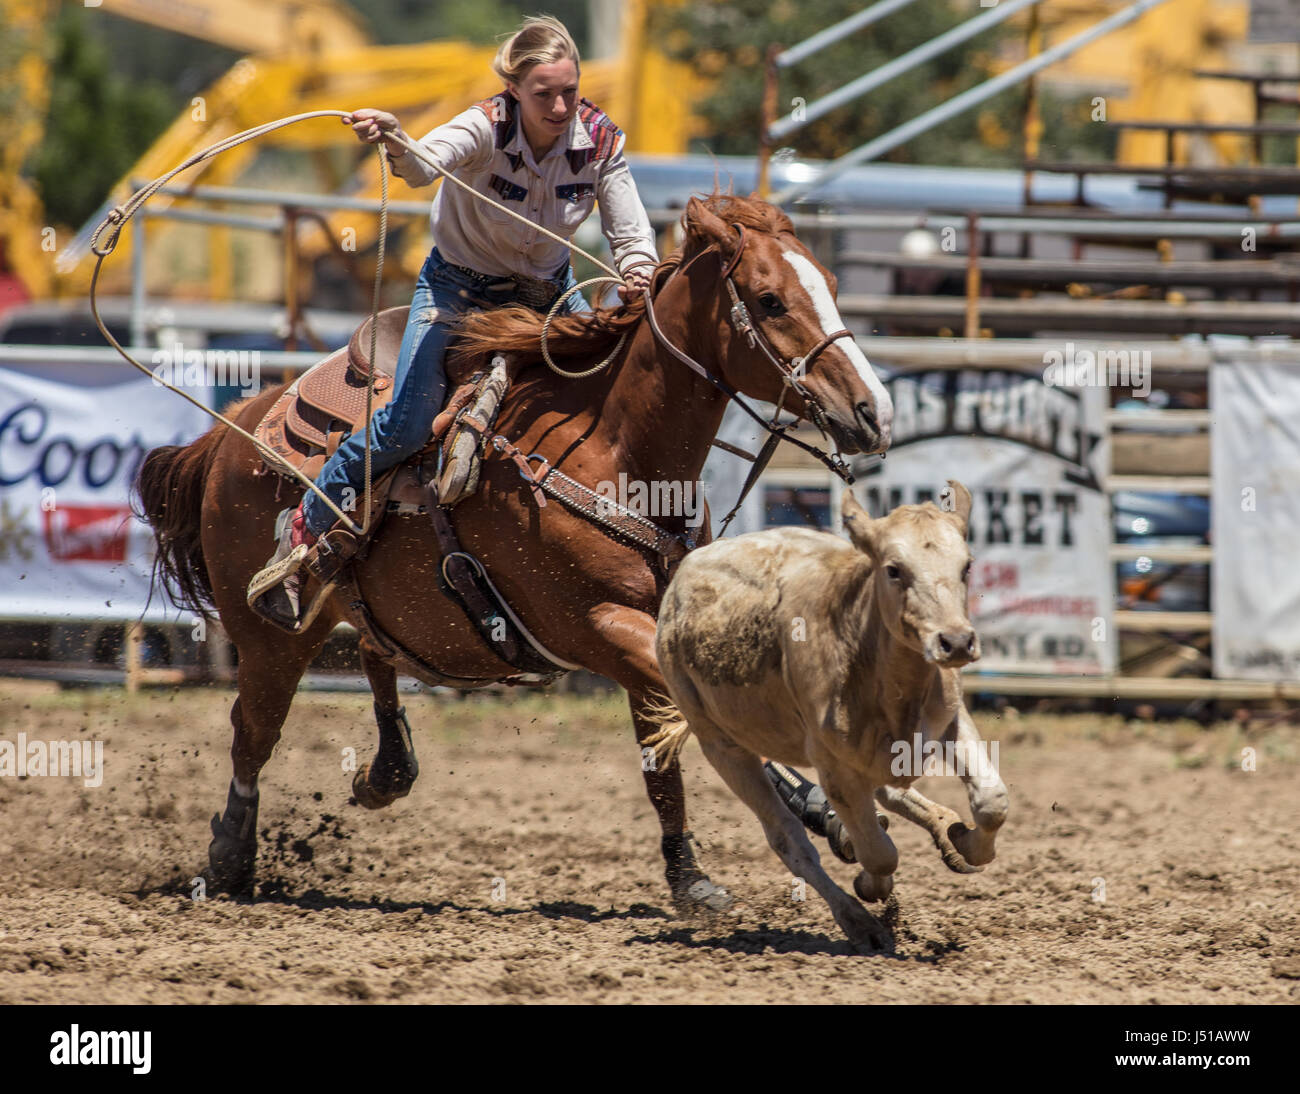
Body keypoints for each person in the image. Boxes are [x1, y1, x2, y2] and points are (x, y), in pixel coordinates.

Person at [249, 15, 659, 629]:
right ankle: (303, 531)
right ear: (515, 88)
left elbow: (630, 233)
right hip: (458, 291)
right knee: (408, 424)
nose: (559, 104)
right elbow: (420, 166)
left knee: (624, 383)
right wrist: (394, 137)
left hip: (548, 292)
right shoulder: (483, 127)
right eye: (544, 91)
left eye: (568, 90)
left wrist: (640, 273)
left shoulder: (600, 139)